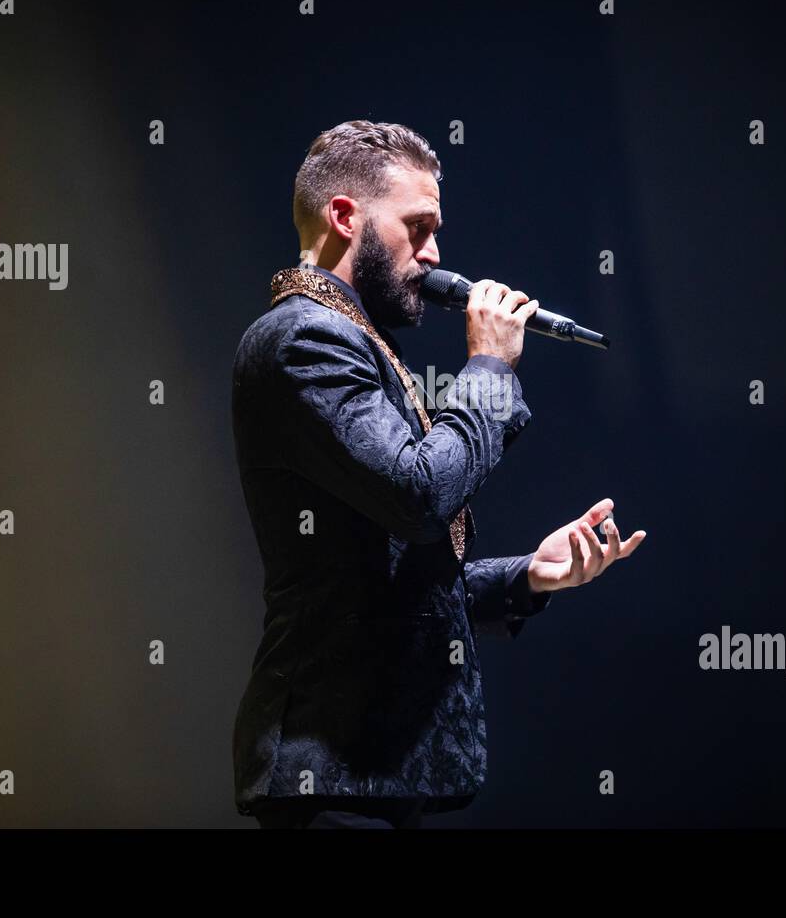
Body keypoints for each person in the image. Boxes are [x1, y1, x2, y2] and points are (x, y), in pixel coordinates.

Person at [231, 120, 645, 828]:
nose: (434, 255)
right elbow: (421, 497)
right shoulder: (306, 338)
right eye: (417, 227)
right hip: (331, 775)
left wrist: (531, 575)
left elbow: (388, 580)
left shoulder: (355, 338)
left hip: (373, 775)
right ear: (343, 217)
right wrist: (487, 367)